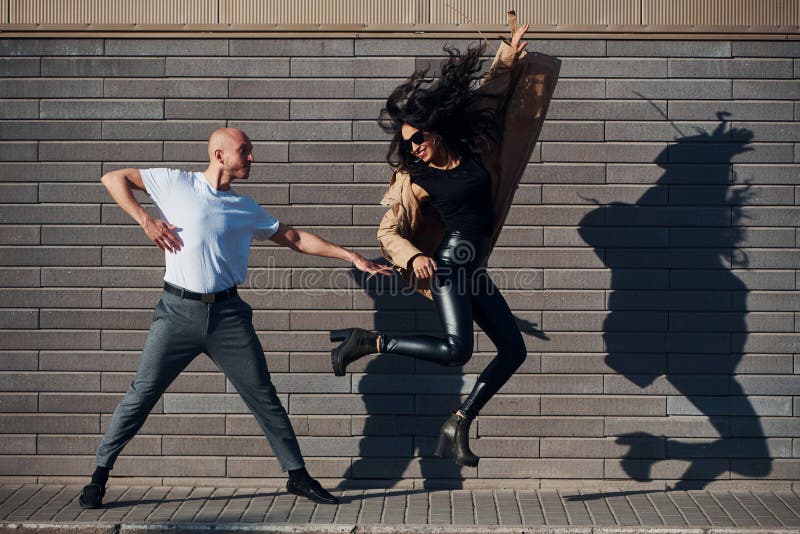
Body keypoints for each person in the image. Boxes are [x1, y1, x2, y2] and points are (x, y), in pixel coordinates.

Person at [79, 128, 392, 509]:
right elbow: (113, 179)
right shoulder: (175, 183)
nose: (251, 158)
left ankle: (297, 476)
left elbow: (293, 238)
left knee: (263, 395)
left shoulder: (245, 208)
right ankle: (99, 476)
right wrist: (146, 220)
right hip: (176, 313)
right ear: (219, 154)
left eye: (251, 151)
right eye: (245, 151)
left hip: (228, 317)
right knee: (141, 395)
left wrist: (353, 258)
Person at [330, 16, 560, 467]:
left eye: (419, 138)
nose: (414, 147)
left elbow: (491, 95)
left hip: (474, 269)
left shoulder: (473, 149)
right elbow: (387, 232)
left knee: (514, 350)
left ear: (436, 128)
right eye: (408, 143)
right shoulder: (413, 179)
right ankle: (370, 342)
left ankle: (459, 420)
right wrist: (413, 256)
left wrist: (510, 54)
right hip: (450, 267)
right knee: (458, 351)